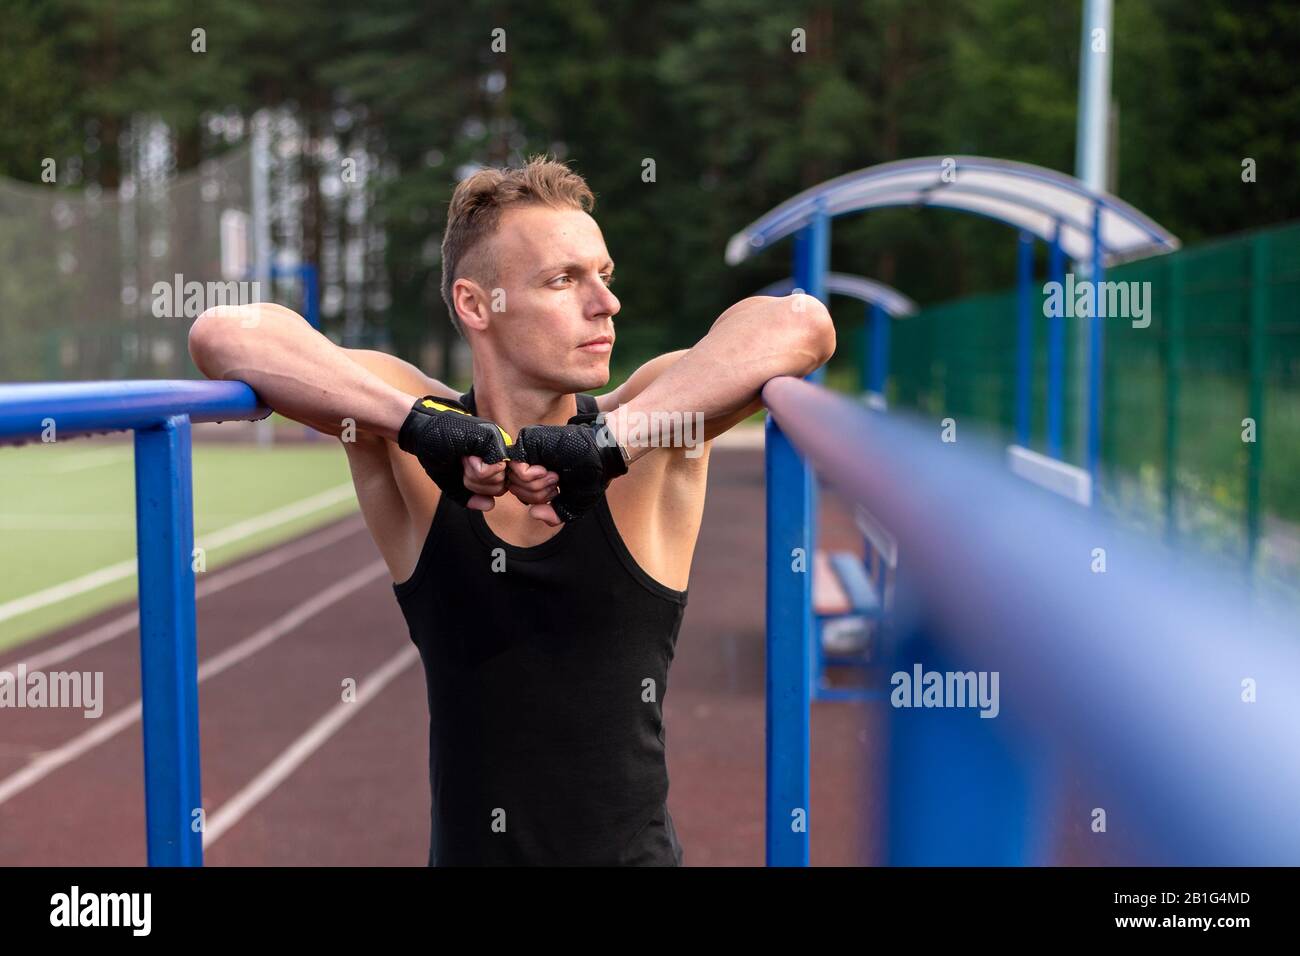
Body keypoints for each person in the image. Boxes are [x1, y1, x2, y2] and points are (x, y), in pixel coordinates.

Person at [188, 155, 835, 865]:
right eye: (564, 280)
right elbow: (224, 333)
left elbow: (799, 323)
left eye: (604, 276)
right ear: (475, 305)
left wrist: (610, 442)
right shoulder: (411, 439)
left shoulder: (650, 424)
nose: (605, 304)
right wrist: (421, 425)